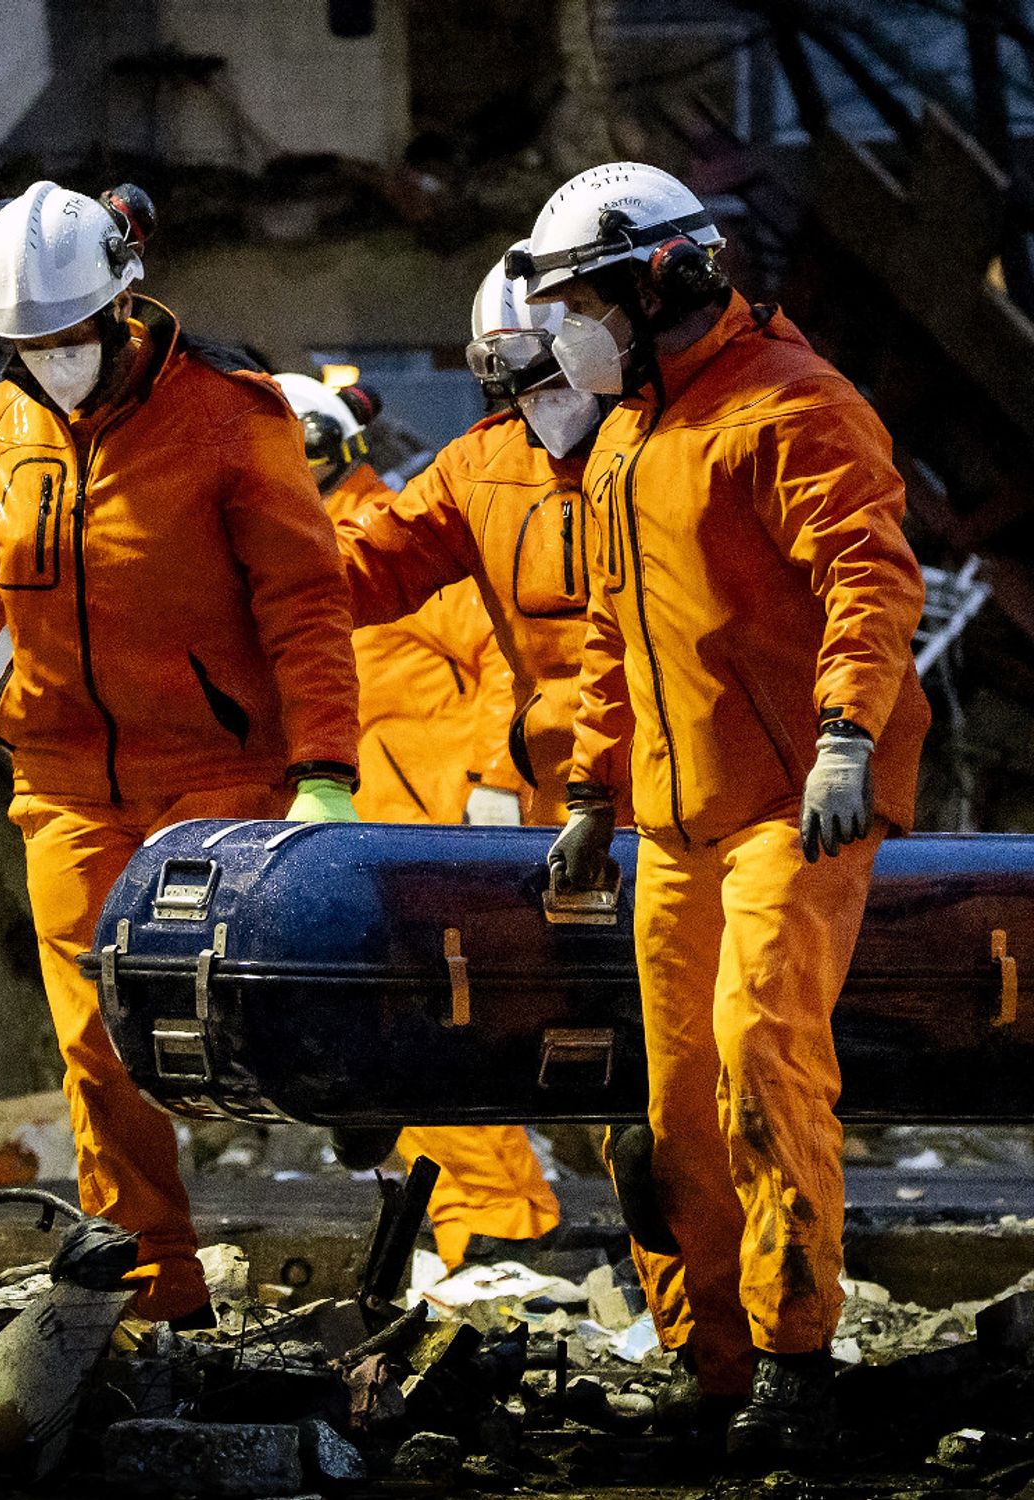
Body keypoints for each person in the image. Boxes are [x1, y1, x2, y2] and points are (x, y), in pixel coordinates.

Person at [0, 180, 361, 1325]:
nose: (46, 360)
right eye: (22, 344)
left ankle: (364, 1137)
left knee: (240, 1017)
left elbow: (306, 605)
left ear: (125, 306)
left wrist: (323, 771)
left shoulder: (233, 415)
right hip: (67, 785)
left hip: (217, 774)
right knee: (98, 1046)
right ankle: (153, 1285)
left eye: (65, 340)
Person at [522, 162, 930, 1463]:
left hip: (792, 807)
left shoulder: (795, 409)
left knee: (763, 1065)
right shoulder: (631, 436)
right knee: (673, 1109)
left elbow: (869, 577)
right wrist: (590, 790)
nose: (569, 325)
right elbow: (612, 636)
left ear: (664, 279)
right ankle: (718, 1374)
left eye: (584, 296)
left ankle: (799, 1365)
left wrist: (845, 740)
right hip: (673, 821)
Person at [278, 371, 560, 1271]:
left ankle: (496, 1234)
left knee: (432, 1031)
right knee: (402, 1041)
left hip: (429, 834)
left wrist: (491, 780)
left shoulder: (378, 540)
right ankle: (472, 1233)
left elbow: (508, 656)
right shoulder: (303, 547)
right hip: (369, 841)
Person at [335, 245, 622, 826]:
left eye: (557, 383)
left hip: (692, 791)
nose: (548, 407)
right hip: (557, 795)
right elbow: (364, 565)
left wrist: (494, 774)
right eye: (528, 390)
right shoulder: (482, 469)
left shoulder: (685, 443)